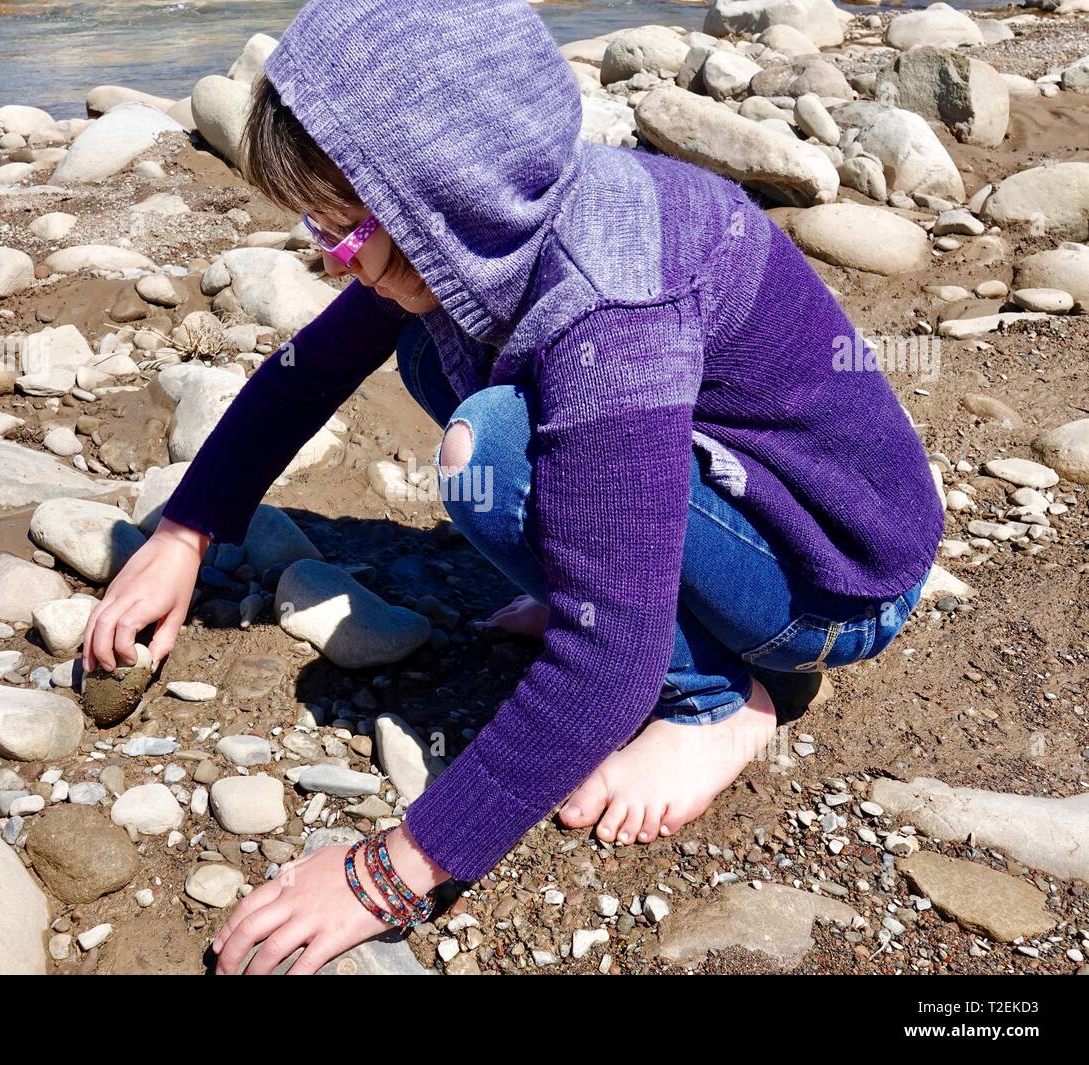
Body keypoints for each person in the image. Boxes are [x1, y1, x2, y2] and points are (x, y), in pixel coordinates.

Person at [83, 0, 943, 974]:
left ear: (437, 200)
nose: (339, 262)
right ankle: (617, 572)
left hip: (831, 578)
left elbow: (606, 664)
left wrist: (390, 871)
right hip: (739, 493)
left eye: (343, 231)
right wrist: (184, 534)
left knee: (486, 450)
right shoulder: (495, 226)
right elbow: (307, 371)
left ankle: (716, 703)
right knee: (424, 346)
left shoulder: (610, 303)